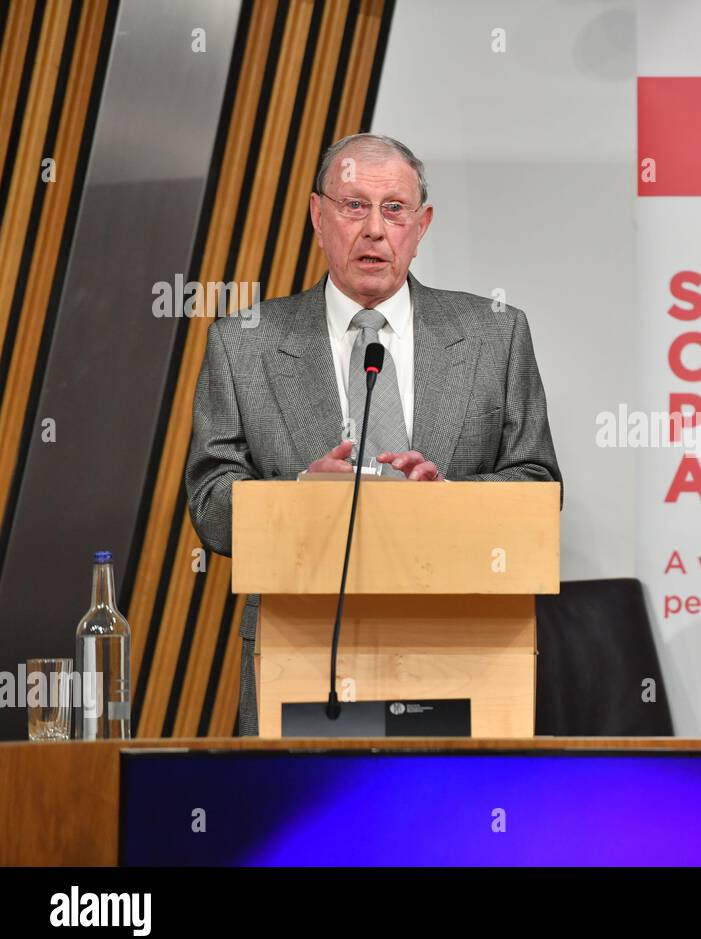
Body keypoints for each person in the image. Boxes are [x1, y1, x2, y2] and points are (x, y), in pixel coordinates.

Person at [185, 133, 562, 735]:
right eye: (354, 205)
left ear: (422, 224)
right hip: (303, 654)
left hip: (462, 651)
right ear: (317, 215)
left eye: (394, 209)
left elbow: (539, 485)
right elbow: (209, 503)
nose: (375, 229)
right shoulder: (244, 342)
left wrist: (450, 500)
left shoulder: (495, 335)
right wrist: (297, 496)